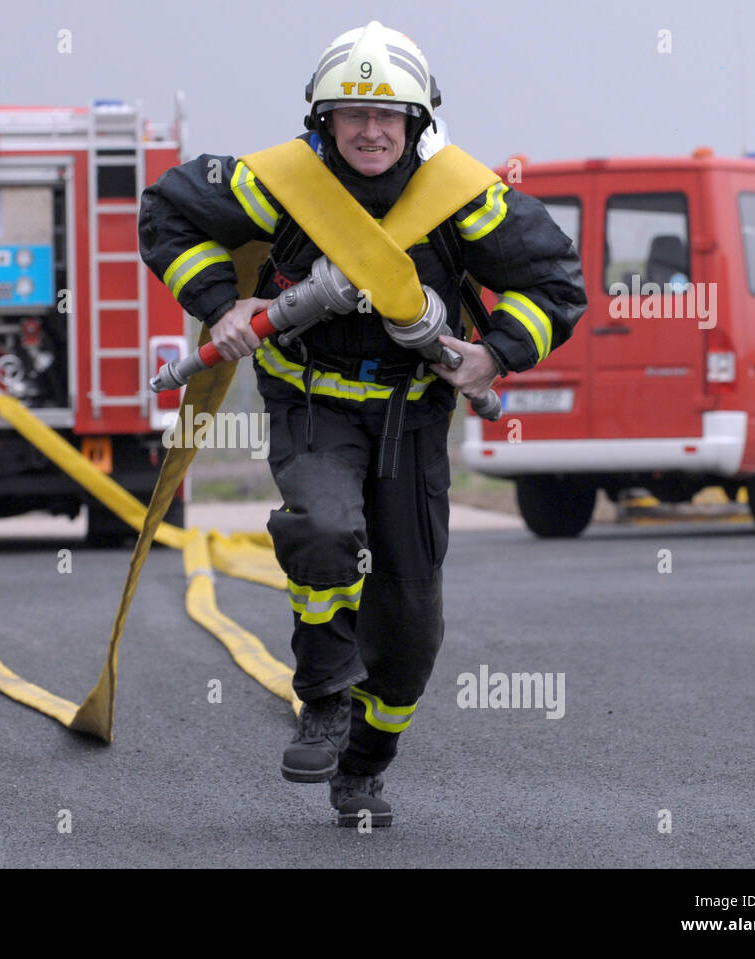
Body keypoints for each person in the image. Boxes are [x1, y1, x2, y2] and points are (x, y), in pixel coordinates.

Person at [138, 21, 586, 826]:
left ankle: (366, 764)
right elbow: (167, 214)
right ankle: (322, 696)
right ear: (325, 122)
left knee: (412, 626)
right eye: (353, 115)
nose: (372, 131)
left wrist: (496, 354)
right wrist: (221, 301)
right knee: (319, 525)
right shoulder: (276, 184)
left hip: (412, 416)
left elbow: (555, 281)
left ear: (418, 124)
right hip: (309, 398)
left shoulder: (466, 198)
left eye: (390, 116)